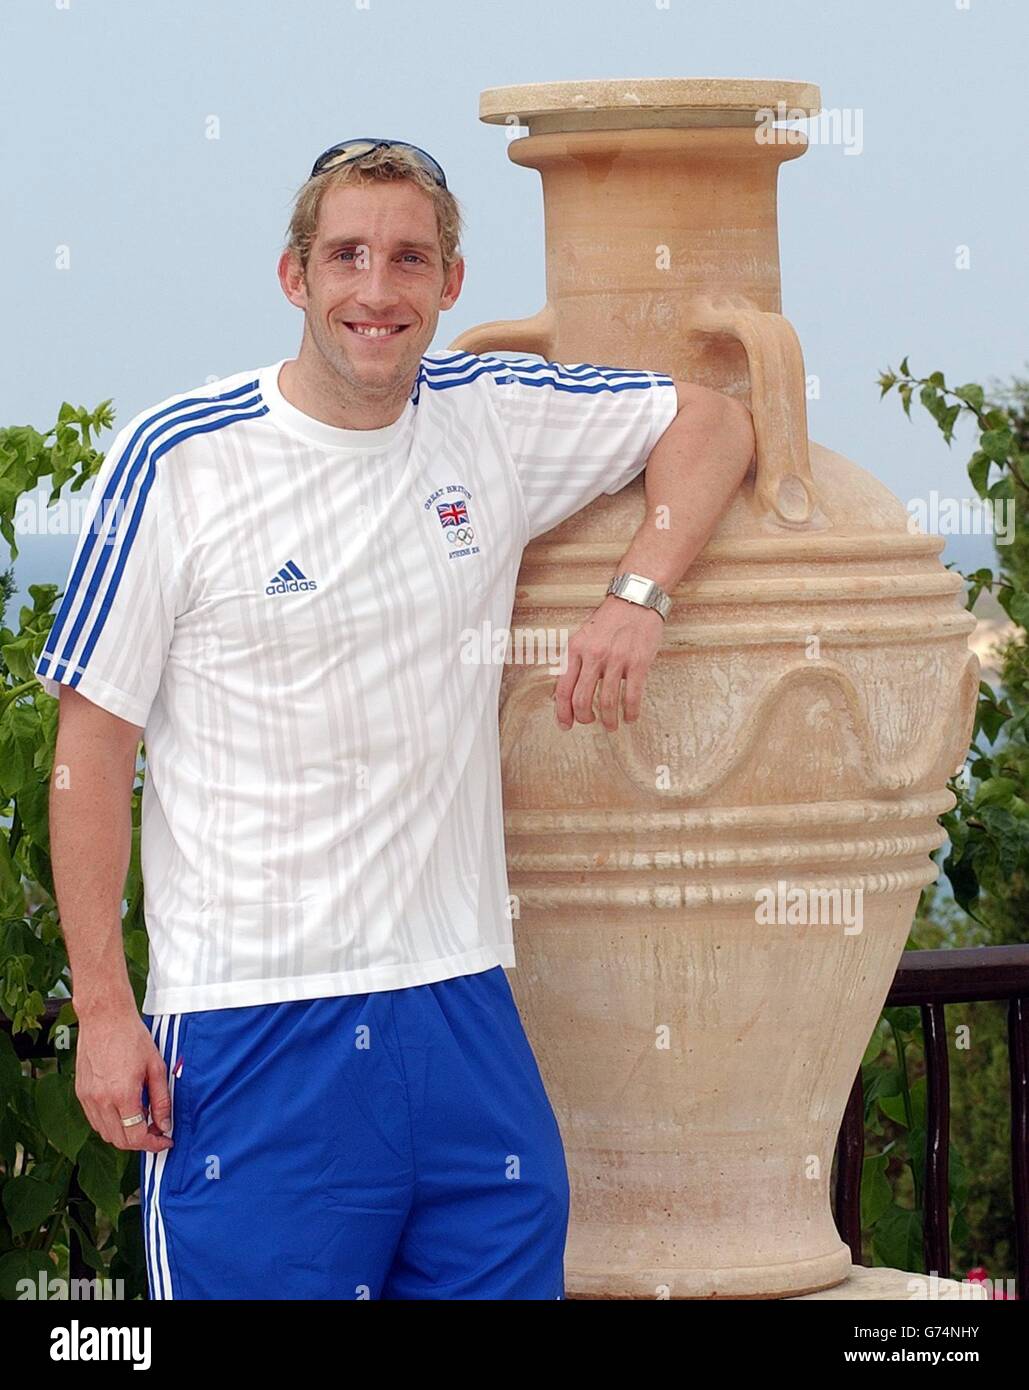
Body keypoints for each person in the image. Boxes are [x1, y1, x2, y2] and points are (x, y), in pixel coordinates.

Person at [34, 138, 755, 1300]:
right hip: (251, 1017)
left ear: (451, 284)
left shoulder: (491, 417)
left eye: (410, 259)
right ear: (294, 277)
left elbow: (713, 419)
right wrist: (106, 1013)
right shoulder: (180, 459)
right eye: (349, 256)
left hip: (459, 1000)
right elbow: (89, 751)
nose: (379, 290)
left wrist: (639, 594)